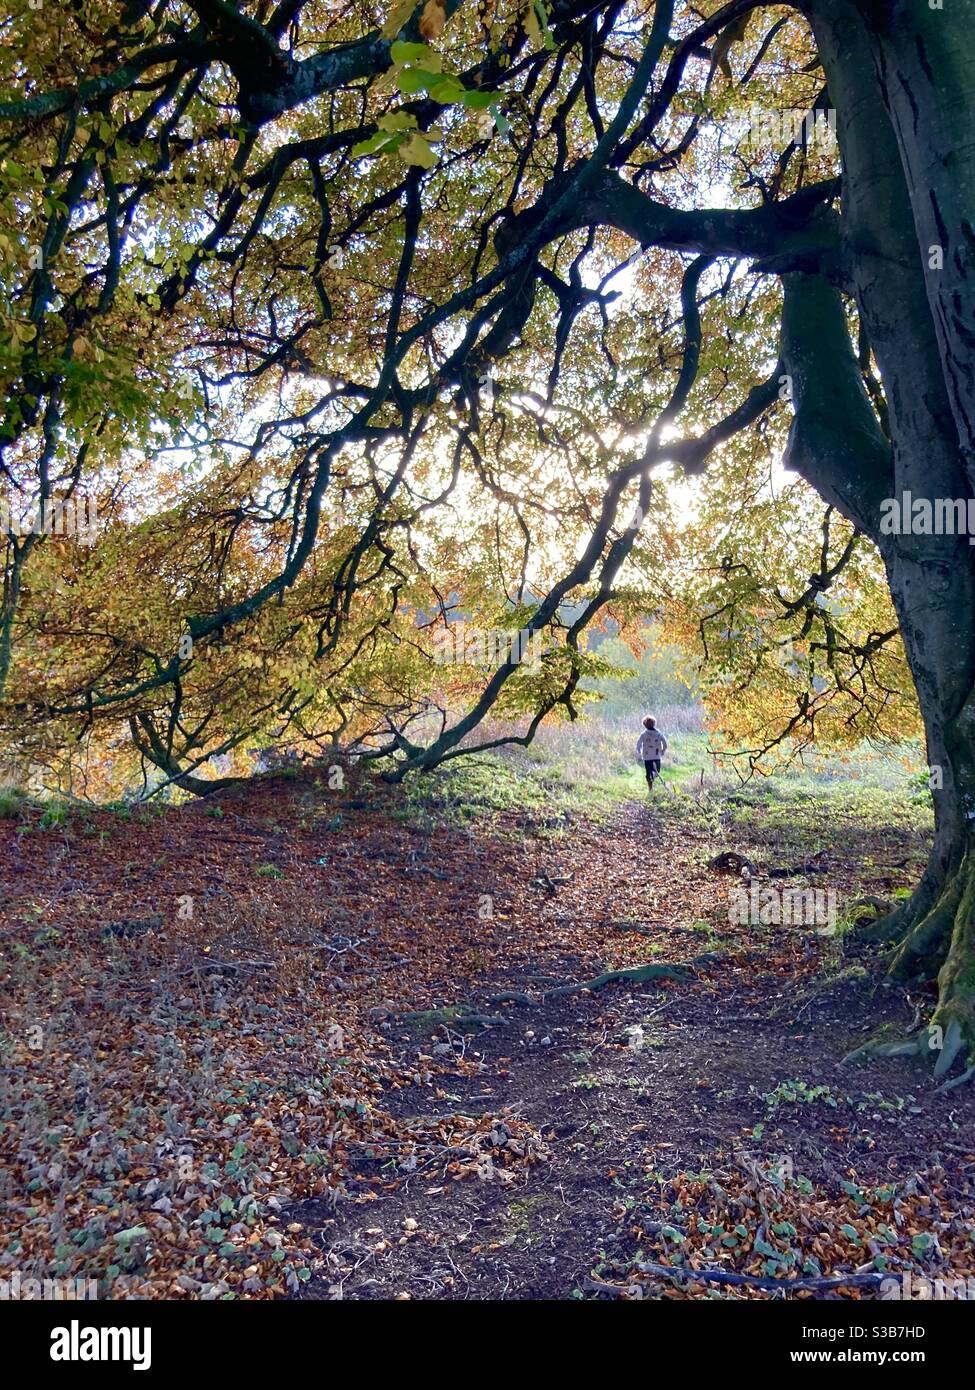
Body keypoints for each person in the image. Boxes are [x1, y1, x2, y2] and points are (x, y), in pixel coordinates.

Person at [636, 715, 668, 791]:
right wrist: (662, 751)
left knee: (648, 772)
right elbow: (665, 744)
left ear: (644, 725)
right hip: (657, 756)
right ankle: (653, 775)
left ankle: (650, 788)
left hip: (647, 757)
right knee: (657, 771)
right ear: (654, 724)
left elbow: (638, 745)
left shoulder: (643, 734)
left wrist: (640, 753)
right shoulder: (659, 734)